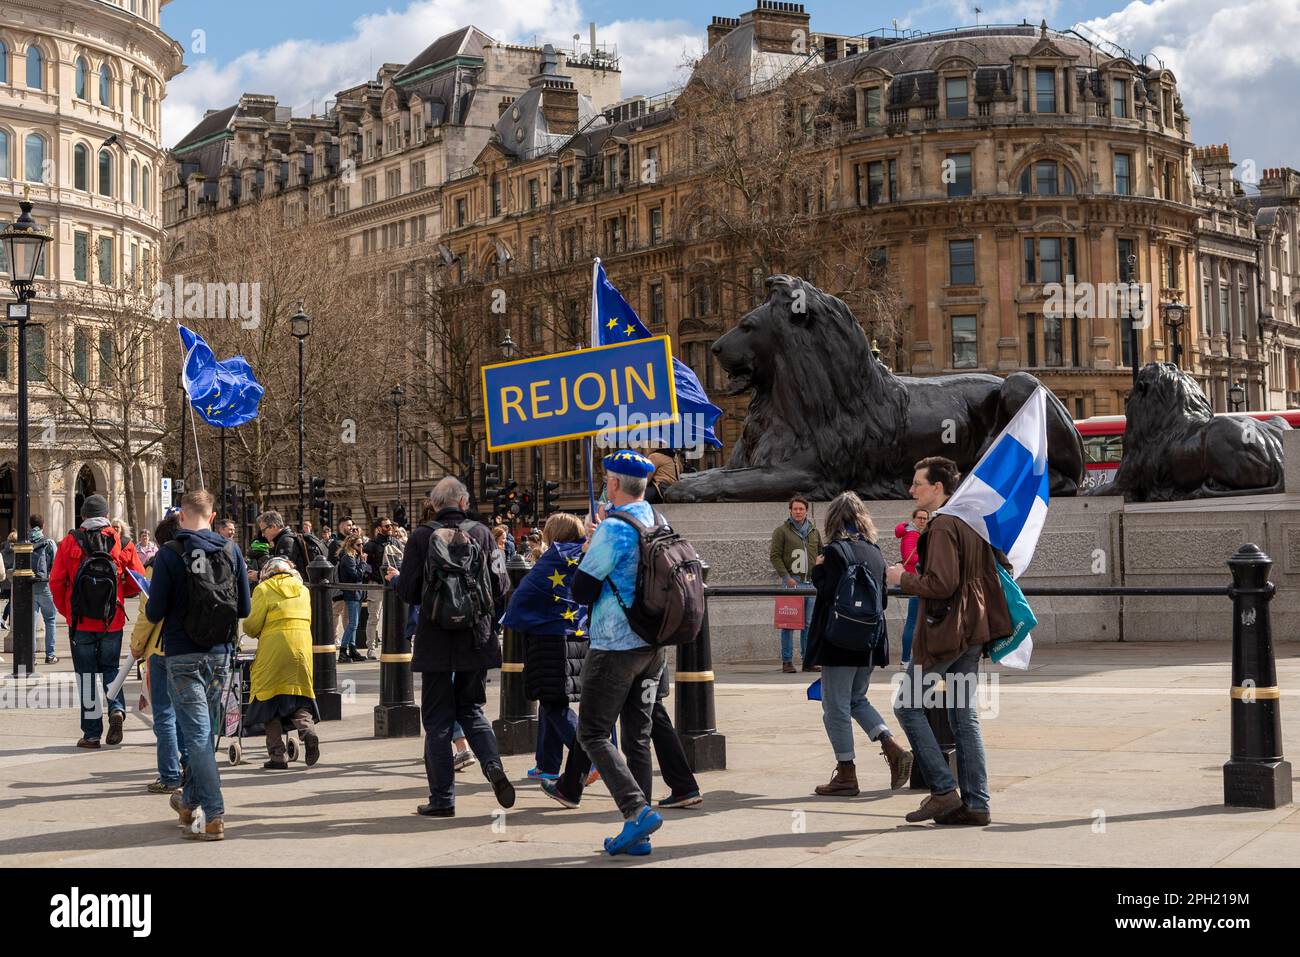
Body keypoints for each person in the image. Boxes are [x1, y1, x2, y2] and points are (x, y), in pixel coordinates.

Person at [540, 449, 666, 856]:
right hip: (653, 646)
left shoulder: (614, 528)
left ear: (613, 484)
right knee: (638, 738)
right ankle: (638, 835)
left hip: (614, 645)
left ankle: (636, 811)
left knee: (592, 732)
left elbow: (582, 588)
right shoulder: (657, 519)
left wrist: (593, 543)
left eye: (607, 479)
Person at [887, 456, 1011, 827]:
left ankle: (943, 790)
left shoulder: (941, 526)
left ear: (938, 488)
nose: (912, 490)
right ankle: (976, 804)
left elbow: (941, 584)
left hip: (947, 633)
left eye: (918, 484)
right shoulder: (971, 521)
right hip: (974, 630)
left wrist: (901, 578)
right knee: (964, 717)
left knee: (908, 707)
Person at [395, 477, 513, 817]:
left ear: (434, 504)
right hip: (476, 637)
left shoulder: (420, 536)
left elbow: (407, 590)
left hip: (435, 639)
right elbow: (501, 583)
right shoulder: (483, 533)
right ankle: (492, 766)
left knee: (437, 721)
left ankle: (443, 799)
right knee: (472, 711)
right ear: (463, 502)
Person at [147, 489, 253, 841]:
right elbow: (245, 609)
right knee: (204, 734)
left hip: (181, 654)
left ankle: (214, 812)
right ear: (212, 516)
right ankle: (189, 802)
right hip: (220, 653)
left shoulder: (169, 553)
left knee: (195, 734)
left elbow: (154, 611)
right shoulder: (230, 549)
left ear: (181, 517)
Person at [806, 491, 913, 797]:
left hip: (839, 639)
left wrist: (817, 569)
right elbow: (881, 599)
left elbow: (829, 594)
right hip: (869, 639)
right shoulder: (875, 552)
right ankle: (890, 745)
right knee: (856, 699)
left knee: (834, 706)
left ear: (833, 519)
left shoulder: (835, 551)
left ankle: (847, 773)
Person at [50, 496, 145, 747]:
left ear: (82, 516)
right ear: (106, 514)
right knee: (111, 669)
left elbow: (56, 583)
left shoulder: (69, 542)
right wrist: (120, 593)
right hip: (111, 619)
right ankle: (117, 709)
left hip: (80, 621)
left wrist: (67, 611)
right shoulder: (122, 542)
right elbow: (138, 580)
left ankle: (92, 734)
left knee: (87, 676)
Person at [504, 512, 589, 781]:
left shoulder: (554, 558)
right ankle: (547, 764)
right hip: (576, 635)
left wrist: (509, 622)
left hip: (549, 639)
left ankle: (591, 755)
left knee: (553, 704)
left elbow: (522, 596)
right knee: (552, 700)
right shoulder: (584, 556)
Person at [243, 557, 321, 770]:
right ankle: (308, 732)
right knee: (298, 696)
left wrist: (251, 629)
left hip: (274, 647)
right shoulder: (303, 589)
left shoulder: (264, 588)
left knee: (269, 699)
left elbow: (252, 625)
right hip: (302, 646)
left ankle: (278, 756)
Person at [129, 513, 188, 793]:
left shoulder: (156, 567)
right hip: (195, 646)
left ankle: (169, 775)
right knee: (190, 712)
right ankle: (192, 766)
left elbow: (146, 614)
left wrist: (137, 645)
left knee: (164, 713)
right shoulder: (200, 560)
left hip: (162, 647)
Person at [770, 496, 822, 673]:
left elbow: (821, 553)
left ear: (806, 511)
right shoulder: (781, 531)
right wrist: (786, 577)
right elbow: (775, 556)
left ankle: (808, 660)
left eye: (801, 509)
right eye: (795, 509)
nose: (798, 512)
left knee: (809, 623)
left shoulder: (814, 532)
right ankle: (787, 661)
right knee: (789, 623)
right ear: (790, 511)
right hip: (793, 583)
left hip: (811, 583)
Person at [894, 508, 929, 665]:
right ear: (913, 519)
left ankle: (910, 657)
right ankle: (906, 659)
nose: (922, 521)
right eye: (920, 518)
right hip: (915, 580)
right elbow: (911, 557)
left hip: (917, 580)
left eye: (925, 518)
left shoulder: (916, 534)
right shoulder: (912, 534)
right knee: (913, 620)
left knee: (916, 620)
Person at [362, 517, 395, 660]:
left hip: (392, 583)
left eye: (391, 526)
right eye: (387, 526)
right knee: (374, 616)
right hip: (376, 584)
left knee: (393, 616)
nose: (390, 528)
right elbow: (366, 565)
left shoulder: (395, 543)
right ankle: (371, 648)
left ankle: (392, 645)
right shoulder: (371, 545)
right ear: (379, 528)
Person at [334, 533, 369, 663]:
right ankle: (343, 650)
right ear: (351, 545)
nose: (361, 547)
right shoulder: (348, 558)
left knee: (354, 623)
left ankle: (352, 649)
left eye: (362, 544)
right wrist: (363, 563)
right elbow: (355, 576)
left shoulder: (355, 556)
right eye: (358, 545)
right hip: (352, 593)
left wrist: (362, 562)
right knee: (353, 624)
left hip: (357, 593)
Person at [29, 515, 58, 664]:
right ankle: (50, 655)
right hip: (45, 585)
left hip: (30, 586)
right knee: (50, 620)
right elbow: (56, 562)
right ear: (43, 525)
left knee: (31, 624)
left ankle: (31, 657)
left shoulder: (25, 541)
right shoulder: (49, 542)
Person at [253, 511, 307, 580]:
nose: (263, 535)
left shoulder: (286, 541)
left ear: (273, 526)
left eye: (263, 531)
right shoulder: (282, 539)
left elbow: (281, 570)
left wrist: (258, 575)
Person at [0, 531, 14, 629]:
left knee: (11, 600)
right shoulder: (16, 551)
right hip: (13, 579)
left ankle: (7, 621)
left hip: (5, 580)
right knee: (12, 601)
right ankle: (4, 619)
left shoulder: (2, 551)